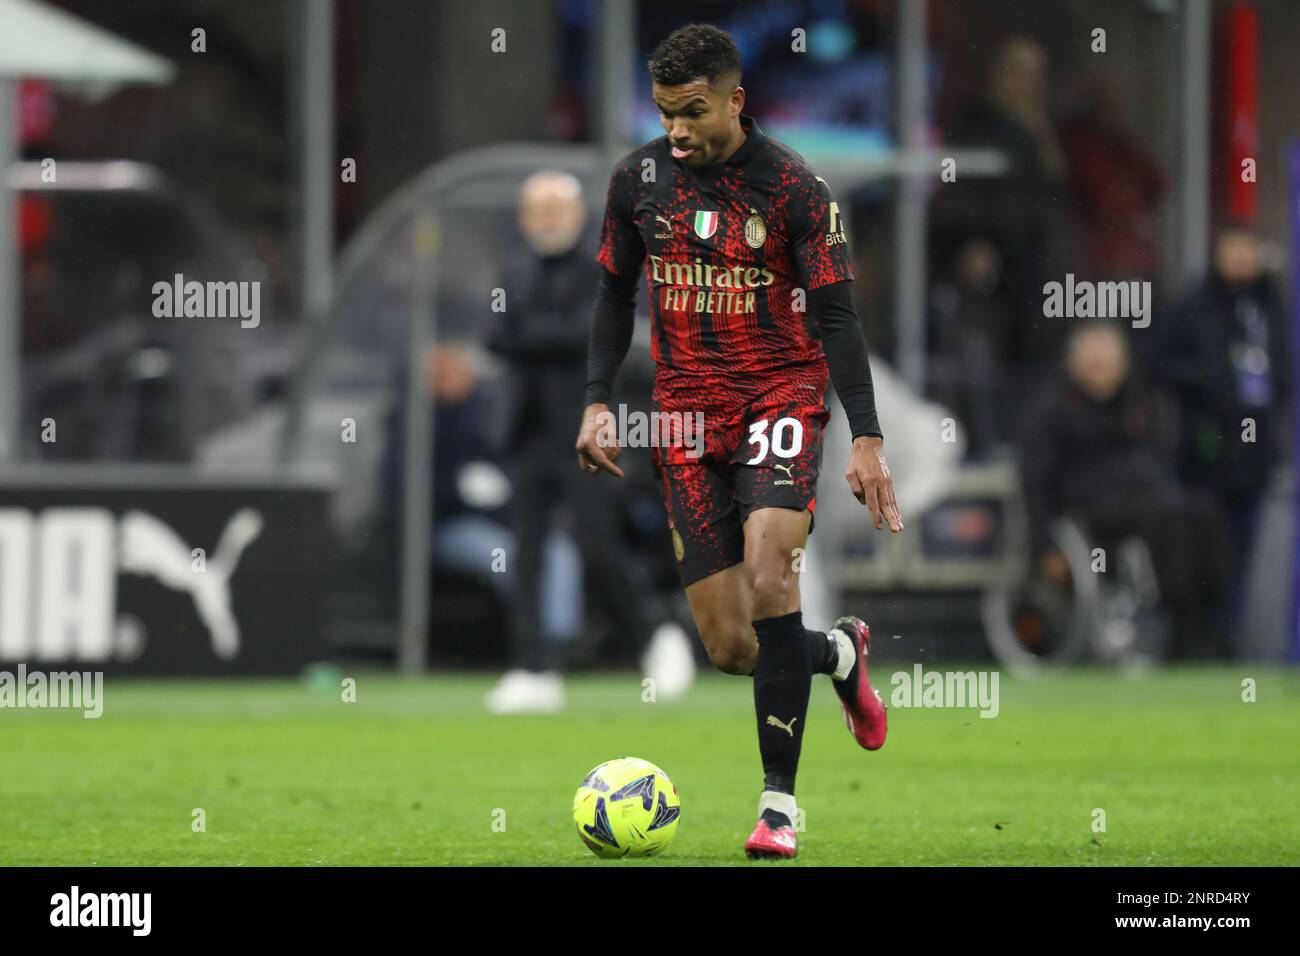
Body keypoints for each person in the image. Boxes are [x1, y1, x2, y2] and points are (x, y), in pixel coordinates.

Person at [575, 24, 903, 859]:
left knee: (770, 569)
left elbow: (836, 316)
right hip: (683, 413)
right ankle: (838, 653)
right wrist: (596, 401)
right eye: (664, 113)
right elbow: (614, 296)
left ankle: (779, 809)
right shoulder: (637, 181)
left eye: (692, 112)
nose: (677, 131)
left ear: (734, 100)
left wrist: (866, 436)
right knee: (730, 647)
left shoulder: (795, 188)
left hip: (779, 395)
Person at [487, 170, 694, 714]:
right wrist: (547, 337)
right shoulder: (513, 273)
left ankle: (656, 637)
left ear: (578, 216)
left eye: (556, 209)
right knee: (524, 554)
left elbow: (595, 335)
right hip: (528, 434)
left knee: (596, 543)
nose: (547, 220)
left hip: (590, 434)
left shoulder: (605, 270)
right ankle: (532, 668)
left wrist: (535, 337)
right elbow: (496, 335)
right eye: (537, 210)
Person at [1019, 320, 1233, 660]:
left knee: (1204, 513)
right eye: (1093, 363)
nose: (1100, 373)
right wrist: (1044, 547)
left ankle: (1209, 618)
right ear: (1073, 363)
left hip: (1150, 495)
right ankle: (1172, 616)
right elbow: (1036, 482)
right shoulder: (1053, 409)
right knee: (1166, 520)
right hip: (1092, 509)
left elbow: (1163, 453)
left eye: (1107, 363)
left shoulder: (1141, 400)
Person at [1146, 224, 1291, 646]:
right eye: (1233, 251)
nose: (1242, 260)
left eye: (1249, 251)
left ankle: (1232, 637)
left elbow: (1283, 364)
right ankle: (1197, 637)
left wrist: (1272, 383)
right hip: (1205, 448)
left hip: (1256, 450)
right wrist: (1211, 381)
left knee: (1245, 549)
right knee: (1205, 545)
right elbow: (1157, 360)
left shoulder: (1270, 306)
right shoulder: (1194, 304)